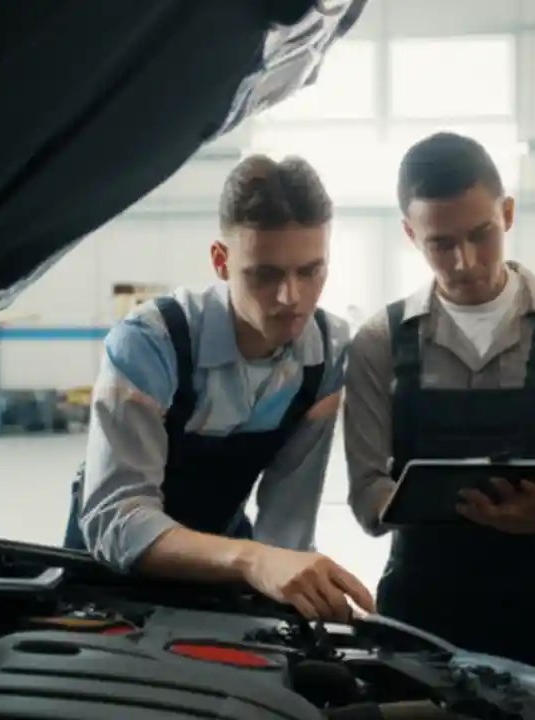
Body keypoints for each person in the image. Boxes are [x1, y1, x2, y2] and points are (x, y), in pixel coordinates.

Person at [343, 132, 535, 691]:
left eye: (480, 235)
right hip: (424, 606)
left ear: (508, 213)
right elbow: (368, 495)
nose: (464, 262)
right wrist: (434, 500)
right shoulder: (380, 342)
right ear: (410, 234)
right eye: (441, 244)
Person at [63, 154, 374, 621]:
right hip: (110, 583)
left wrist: (295, 599)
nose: (291, 298)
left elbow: (287, 527)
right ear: (221, 261)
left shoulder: (327, 357)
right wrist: (253, 561)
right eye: (265, 274)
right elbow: (117, 519)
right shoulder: (151, 344)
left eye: (310, 271)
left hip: (225, 573)